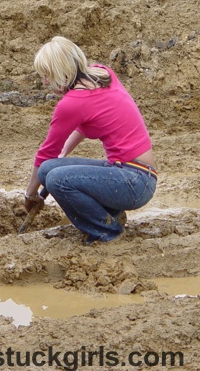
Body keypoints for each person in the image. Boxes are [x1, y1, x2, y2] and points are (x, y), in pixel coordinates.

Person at [23, 36, 157, 243]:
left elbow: (45, 152)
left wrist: (30, 195)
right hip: (132, 173)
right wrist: (64, 154)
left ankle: (106, 231)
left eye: (47, 75)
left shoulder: (71, 103)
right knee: (49, 168)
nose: (45, 82)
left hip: (134, 182)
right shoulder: (101, 74)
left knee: (57, 179)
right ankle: (111, 214)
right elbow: (86, 124)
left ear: (62, 71)